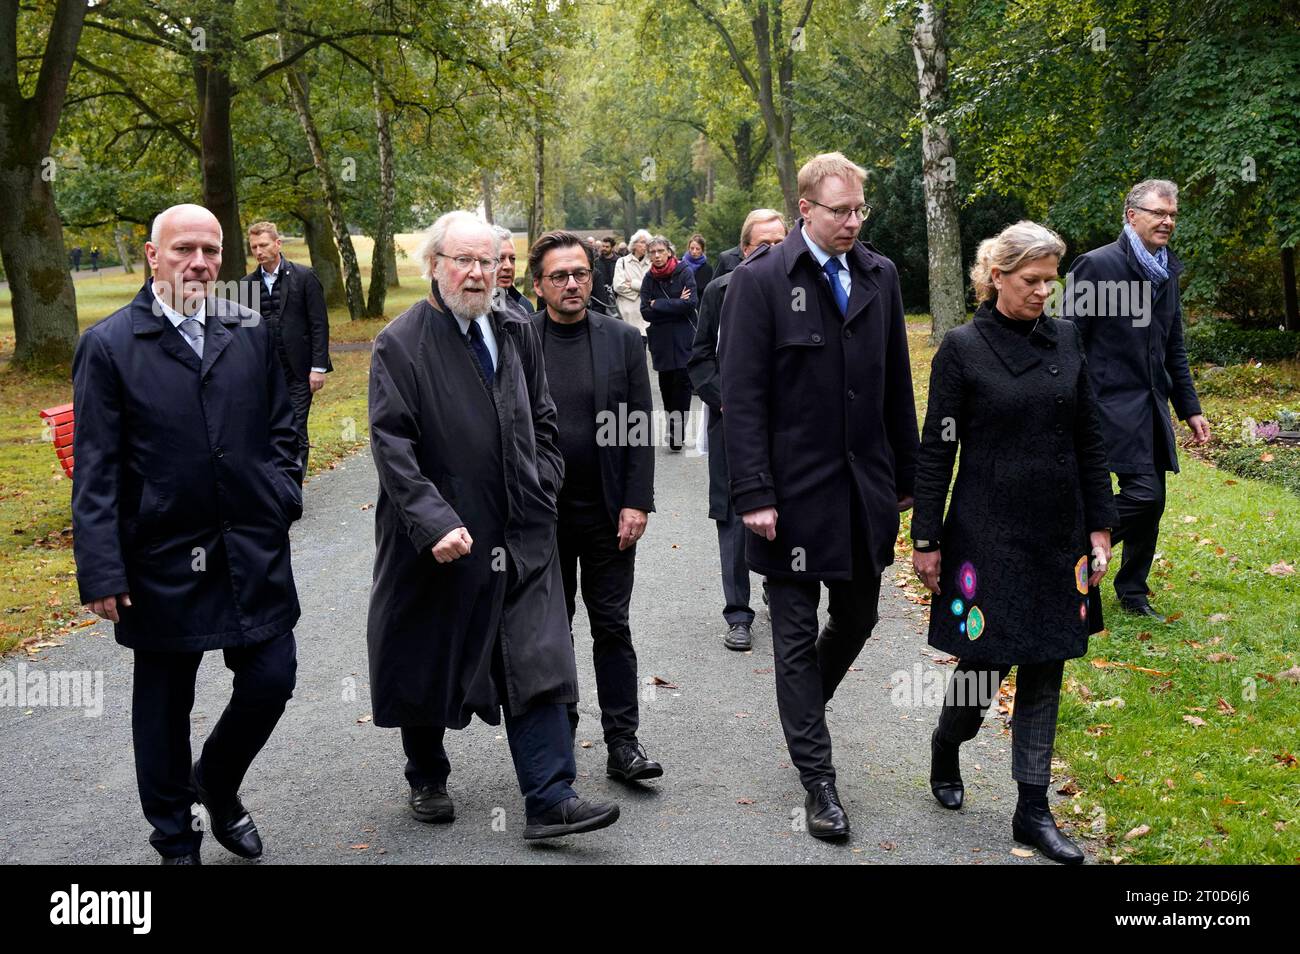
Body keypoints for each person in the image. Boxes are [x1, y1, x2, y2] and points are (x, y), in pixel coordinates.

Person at [367, 210, 619, 840]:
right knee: (427, 656)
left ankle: (550, 797)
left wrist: (546, 479)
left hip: (523, 531)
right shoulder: (400, 343)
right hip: (440, 540)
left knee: (537, 656)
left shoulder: (513, 329)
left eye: (488, 261)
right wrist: (433, 522)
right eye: (464, 260)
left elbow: (543, 415)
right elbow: (391, 444)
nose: (478, 274)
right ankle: (426, 772)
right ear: (435, 265)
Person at [72, 204, 303, 865]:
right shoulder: (111, 346)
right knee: (164, 704)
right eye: (183, 250)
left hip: (251, 548)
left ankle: (218, 783)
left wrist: (282, 494)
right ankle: (175, 837)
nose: (199, 262)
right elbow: (96, 468)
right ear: (153, 255)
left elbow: (283, 425)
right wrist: (102, 569)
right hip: (161, 557)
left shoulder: (248, 327)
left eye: (210, 249)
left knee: (272, 677)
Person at [721, 152, 919, 840]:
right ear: (805, 208)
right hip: (789, 497)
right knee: (796, 640)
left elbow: (896, 383)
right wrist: (752, 492)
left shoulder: (879, 275)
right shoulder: (761, 282)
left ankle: (803, 709)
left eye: (860, 210)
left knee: (859, 616)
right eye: (840, 211)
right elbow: (741, 398)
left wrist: (907, 481)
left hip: (862, 492)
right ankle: (820, 783)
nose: (853, 223)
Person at [912, 221, 1118, 865]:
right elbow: (937, 448)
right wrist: (926, 537)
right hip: (986, 533)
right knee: (984, 665)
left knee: (1047, 665)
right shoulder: (962, 348)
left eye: (1050, 282)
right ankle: (950, 744)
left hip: (1059, 534)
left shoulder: (1068, 340)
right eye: (1031, 281)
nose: (1042, 293)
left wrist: (1101, 525)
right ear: (994, 277)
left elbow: (1089, 438)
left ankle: (1032, 809)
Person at [528, 230, 662, 783]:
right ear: (539, 286)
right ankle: (559, 734)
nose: (572, 284)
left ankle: (622, 744)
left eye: (580, 273)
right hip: (542, 517)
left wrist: (636, 501)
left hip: (608, 513)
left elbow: (639, 426)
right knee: (551, 630)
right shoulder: (519, 342)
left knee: (612, 626)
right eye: (559, 276)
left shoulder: (621, 341)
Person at [1065, 180, 1210, 620]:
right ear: (1132, 215)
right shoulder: (1097, 265)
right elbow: (1069, 338)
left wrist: (1190, 408)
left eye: (1172, 215)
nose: (1167, 221)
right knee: (1143, 495)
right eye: (1158, 213)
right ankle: (1077, 547)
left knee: (1154, 500)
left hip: (1151, 405)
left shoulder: (1167, 270)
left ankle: (1132, 590)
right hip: (1104, 405)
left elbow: (1173, 345)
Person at [688, 209, 786, 651]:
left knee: (786, 508)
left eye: (780, 243)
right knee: (732, 517)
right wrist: (725, 399)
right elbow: (701, 356)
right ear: (744, 250)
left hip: (788, 426)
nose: (771, 252)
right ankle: (738, 614)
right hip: (732, 424)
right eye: (762, 244)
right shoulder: (718, 291)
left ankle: (779, 589)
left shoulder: (803, 293)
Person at [244, 221, 332, 483]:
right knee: (271, 427)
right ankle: (276, 480)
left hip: (300, 371)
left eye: (263, 245)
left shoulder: (305, 276)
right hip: (265, 373)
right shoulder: (246, 285)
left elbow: (319, 323)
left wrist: (318, 367)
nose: (258, 251)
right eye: (253, 247)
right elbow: (244, 332)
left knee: (294, 427)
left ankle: (292, 485)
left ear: (277, 244)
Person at [639, 235, 697, 452]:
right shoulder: (648, 279)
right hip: (661, 342)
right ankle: (673, 426)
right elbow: (645, 311)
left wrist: (659, 305)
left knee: (682, 386)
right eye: (652, 252)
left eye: (660, 251)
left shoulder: (684, 272)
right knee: (666, 387)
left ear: (669, 252)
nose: (656, 256)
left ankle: (677, 432)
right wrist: (675, 305)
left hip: (683, 338)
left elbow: (690, 304)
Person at [613, 229, 652, 334]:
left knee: (646, 345)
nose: (646, 246)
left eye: (647, 243)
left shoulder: (651, 263)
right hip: (627, 311)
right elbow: (618, 286)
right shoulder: (622, 262)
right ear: (634, 244)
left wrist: (634, 284)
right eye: (643, 242)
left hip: (646, 312)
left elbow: (653, 288)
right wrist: (642, 292)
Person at [491, 224, 533, 317]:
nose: (508, 266)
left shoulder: (525, 307)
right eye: (500, 258)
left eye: (512, 259)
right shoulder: (473, 310)